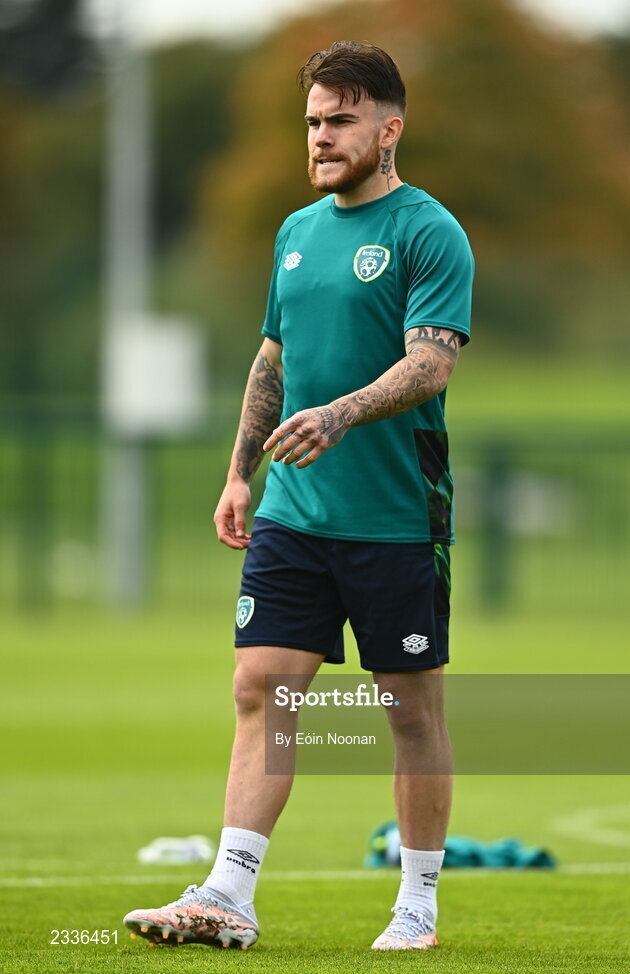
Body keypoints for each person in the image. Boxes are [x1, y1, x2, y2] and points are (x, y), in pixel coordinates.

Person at [123, 40, 474, 952]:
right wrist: (242, 470)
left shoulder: (429, 231)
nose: (320, 137)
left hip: (396, 516)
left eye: (340, 120)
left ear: (389, 129)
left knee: (409, 708)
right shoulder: (294, 232)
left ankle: (418, 906)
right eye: (312, 121)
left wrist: (344, 414)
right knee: (262, 689)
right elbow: (273, 359)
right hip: (294, 513)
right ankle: (228, 895)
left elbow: (430, 364)